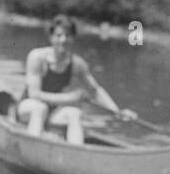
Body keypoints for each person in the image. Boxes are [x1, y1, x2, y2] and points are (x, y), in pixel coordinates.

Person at [17, 14, 135, 144]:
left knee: (74, 113)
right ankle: (33, 148)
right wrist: (70, 98)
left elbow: (95, 90)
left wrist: (116, 111)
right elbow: (34, 94)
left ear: (72, 38)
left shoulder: (77, 64)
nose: (63, 40)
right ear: (51, 38)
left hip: (52, 114)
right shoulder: (37, 57)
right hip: (28, 109)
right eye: (58, 35)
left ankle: (76, 153)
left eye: (67, 36)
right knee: (40, 108)